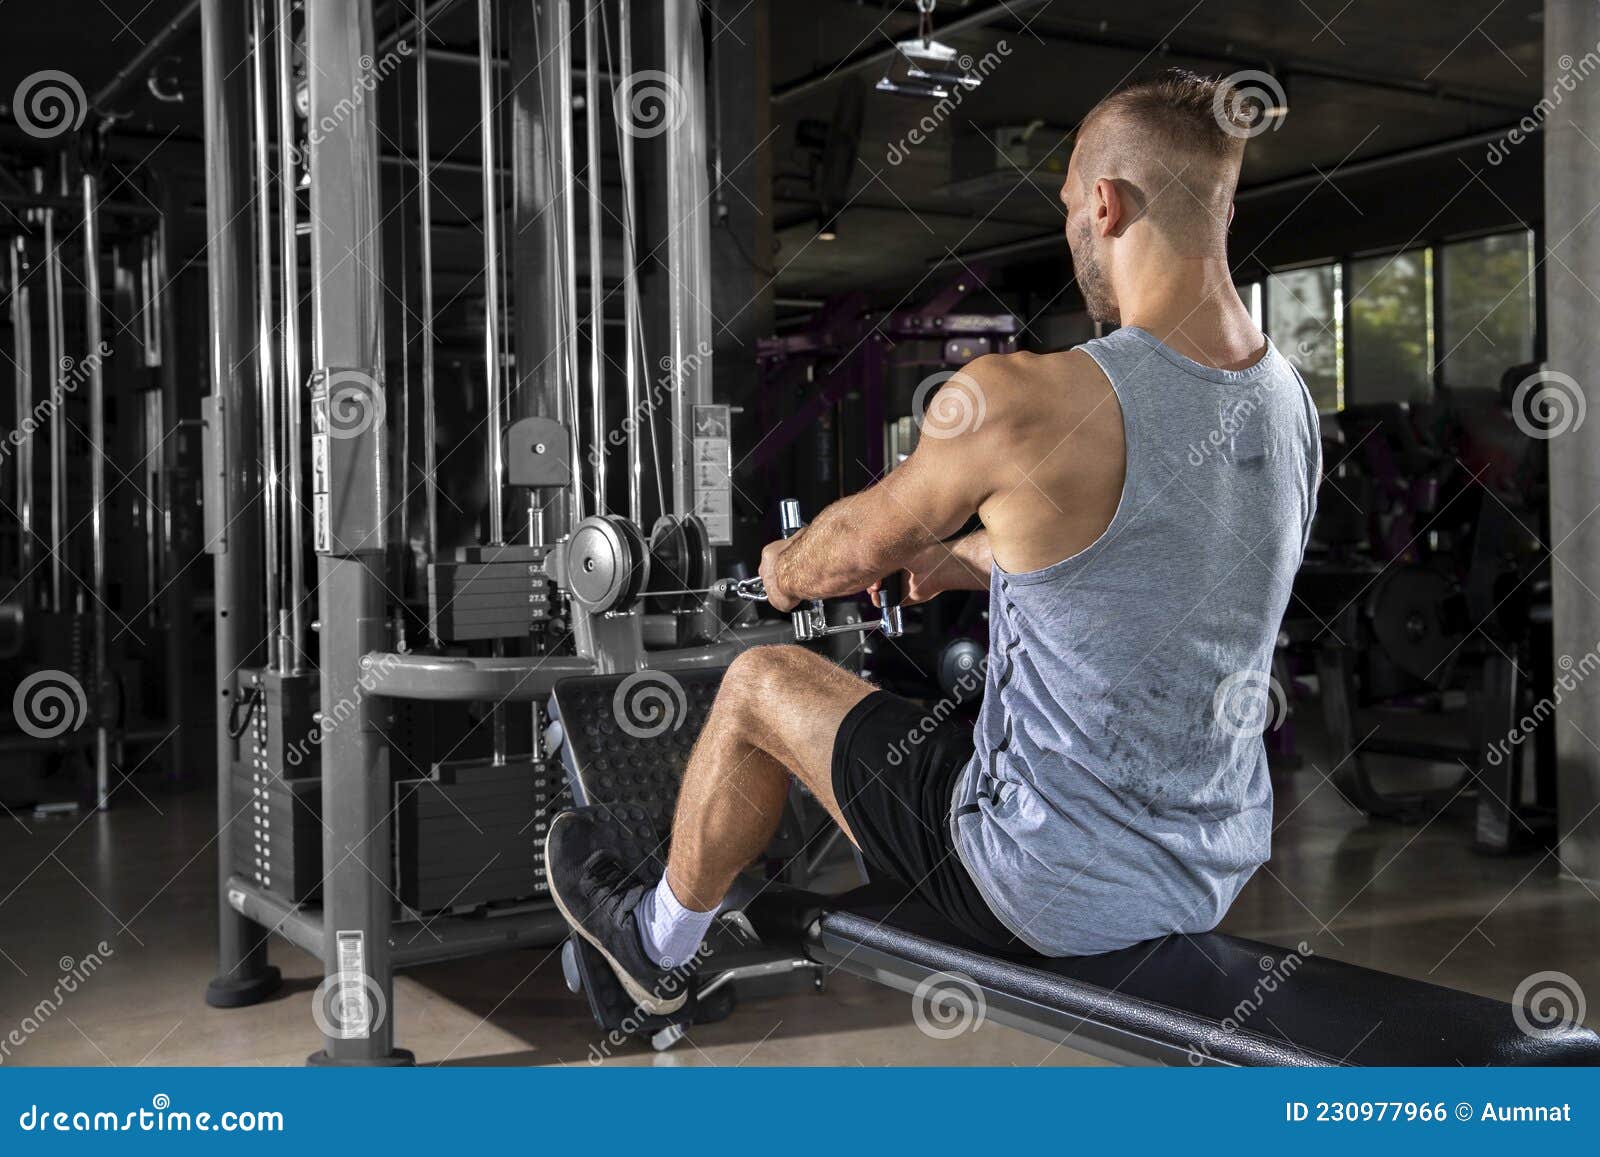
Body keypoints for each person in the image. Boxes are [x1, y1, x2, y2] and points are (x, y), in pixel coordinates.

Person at [545, 68, 1322, 1015]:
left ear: (1108, 206)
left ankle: (655, 943)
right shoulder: (1287, 401)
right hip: (1204, 870)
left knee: (758, 686)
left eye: (1072, 200)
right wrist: (961, 559)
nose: (1072, 219)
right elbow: (1143, 563)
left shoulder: (1029, 397)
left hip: (1037, 884)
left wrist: (782, 572)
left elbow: (846, 553)